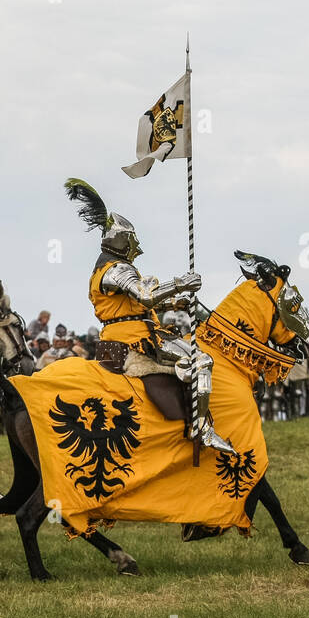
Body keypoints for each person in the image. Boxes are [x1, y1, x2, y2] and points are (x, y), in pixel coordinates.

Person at [64, 178, 232, 453]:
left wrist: (176, 303)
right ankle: (202, 429)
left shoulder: (108, 269)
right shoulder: (117, 269)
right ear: (121, 240)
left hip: (133, 333)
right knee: (202, 361)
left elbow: (140, 306)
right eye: (132, 239)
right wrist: (181, 283)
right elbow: (145, 296)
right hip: (134, 342)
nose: (136, 244)